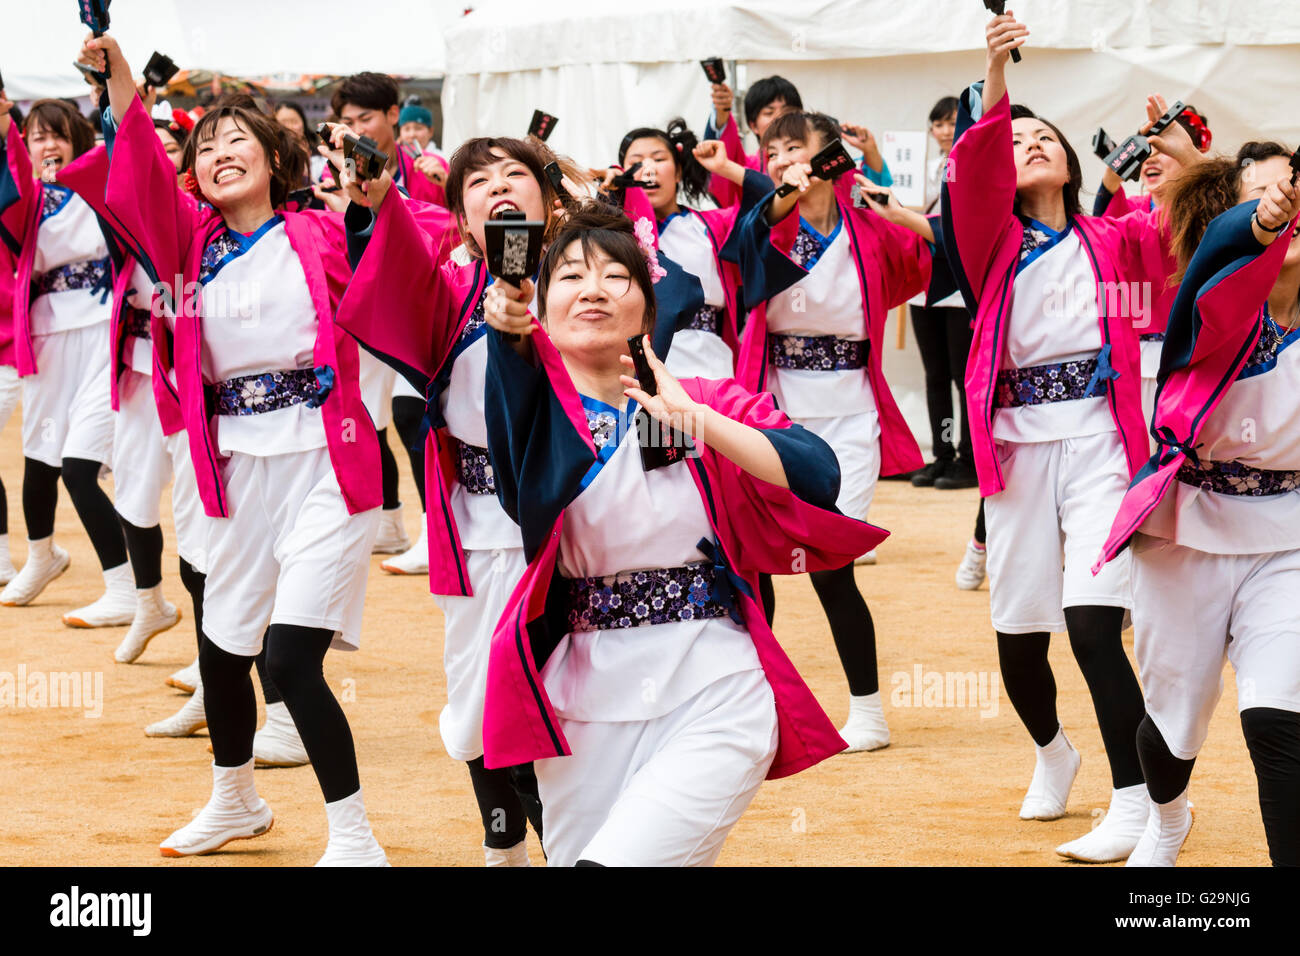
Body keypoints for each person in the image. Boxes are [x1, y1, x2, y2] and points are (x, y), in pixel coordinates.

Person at [479, 204, 882, 865]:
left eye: (616, 276)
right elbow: (518, 408)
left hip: (714, 685)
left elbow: (819, 475)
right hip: (586, 702)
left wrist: (695, 419)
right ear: (543, 309)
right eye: (572, 276)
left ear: (647, 305)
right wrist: (507, 325)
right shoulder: (541, 424)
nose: (594, 289)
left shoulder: (700, 399)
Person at [88, 31, 388, 865]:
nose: (220, 152)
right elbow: (140, 173)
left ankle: (354, 837)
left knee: (291, 660)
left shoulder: (317, 232)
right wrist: (121, 88)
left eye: (238, 140)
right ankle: (234, 802)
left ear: (274, 157)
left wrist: (370, 204)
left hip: (325, 464)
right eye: (206, 146)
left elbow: (387, 262)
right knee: (223, 652)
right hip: (237, 468)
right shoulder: (192, 244)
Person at [941, 11, 1190, 862]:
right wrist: (996, 74)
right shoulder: (992, 244)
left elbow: (1184, 236)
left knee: (1092, 626)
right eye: (1020, 139)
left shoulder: (1111, 238)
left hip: (1098, 445)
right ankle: (1054, 751)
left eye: (1047, 137)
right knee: (1018, 638)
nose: (1032, 144)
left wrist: (1183, 155)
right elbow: (971, 172)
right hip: (1015, 452)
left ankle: (1135, 799)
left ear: (1074, 163)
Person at [335, 133, 570, 865]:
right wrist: (376, 205)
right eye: (478, 181)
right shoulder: (452, 290)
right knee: (474, 709)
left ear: (548, 199)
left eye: (514, 174)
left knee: (563, 703)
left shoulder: (587, 279)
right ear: (462, 219)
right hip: (475, 531)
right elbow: (395, 272)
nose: (497, 186)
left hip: (566, 526)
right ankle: (502, 842)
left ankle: (573, 845)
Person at [1098, 149, 1300, 867]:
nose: (1284, 200)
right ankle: (1167, 816)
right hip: (1188, 527)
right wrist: (1256, 227)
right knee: (1173, 721)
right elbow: (1220, 253)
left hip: (1289, 536)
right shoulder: (1207, 297)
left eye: (1292, 187)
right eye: (1263, 193)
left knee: (1279, 718)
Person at [733, 109, 931, 752]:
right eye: (772, 150)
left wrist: (892, 208)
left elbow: (928, 265)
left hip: (851, 408)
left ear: (828, 157)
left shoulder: (866, 226)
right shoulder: (766, 224)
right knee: (757, 558)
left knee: (834, 561)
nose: (781, 158)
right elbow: (746, 257)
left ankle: (867, 709)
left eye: (796, 146)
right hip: (776, 408)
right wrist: (780, 201)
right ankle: (754, 698)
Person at [0, 97, 134, 623]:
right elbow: (8, 183)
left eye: (57, 134)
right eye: (38, 136)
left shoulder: (97, 184)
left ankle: (125, 588)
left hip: (104, 333)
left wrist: (112, 92)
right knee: (39, 455)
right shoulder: (30, 198)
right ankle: (41, 556)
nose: (48, 144)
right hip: (50, 337)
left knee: (79, 468)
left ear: (76, 138)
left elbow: (128, 153)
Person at [1093, 101, 1213, 432]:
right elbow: (1101, 241)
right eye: (1146, 150)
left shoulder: (1206, 213)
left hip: (1193, 354)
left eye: (1165, 148)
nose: (1151, 158)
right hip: (1131, 357)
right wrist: (1110, 177)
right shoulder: (1130, 209)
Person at [617, 119, 767, 379]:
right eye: (637, 161)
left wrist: (725, 167)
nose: (648, 168)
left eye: (658, 158)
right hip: (636, 361)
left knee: (705, 421)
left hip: (707, 362)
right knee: (645, 421)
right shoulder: (615, 233)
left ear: (677, 172)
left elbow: (767, 200)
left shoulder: (714, 225)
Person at [704, 74, 892, 208]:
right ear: (753, 125)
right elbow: (727, 184)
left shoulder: (827, 163)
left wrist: (870, 151)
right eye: (769, 112)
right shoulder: (746, 168)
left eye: (788, 111)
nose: (780, 118)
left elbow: (865, 200)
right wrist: (722, 114)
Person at [331, 72, 445, 206]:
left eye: (365, 119)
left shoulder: (432, 169)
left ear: (392, 114)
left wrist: (447, 186)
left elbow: (457, 220)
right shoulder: (337, 170)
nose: (358, 130)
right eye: (349, 123)